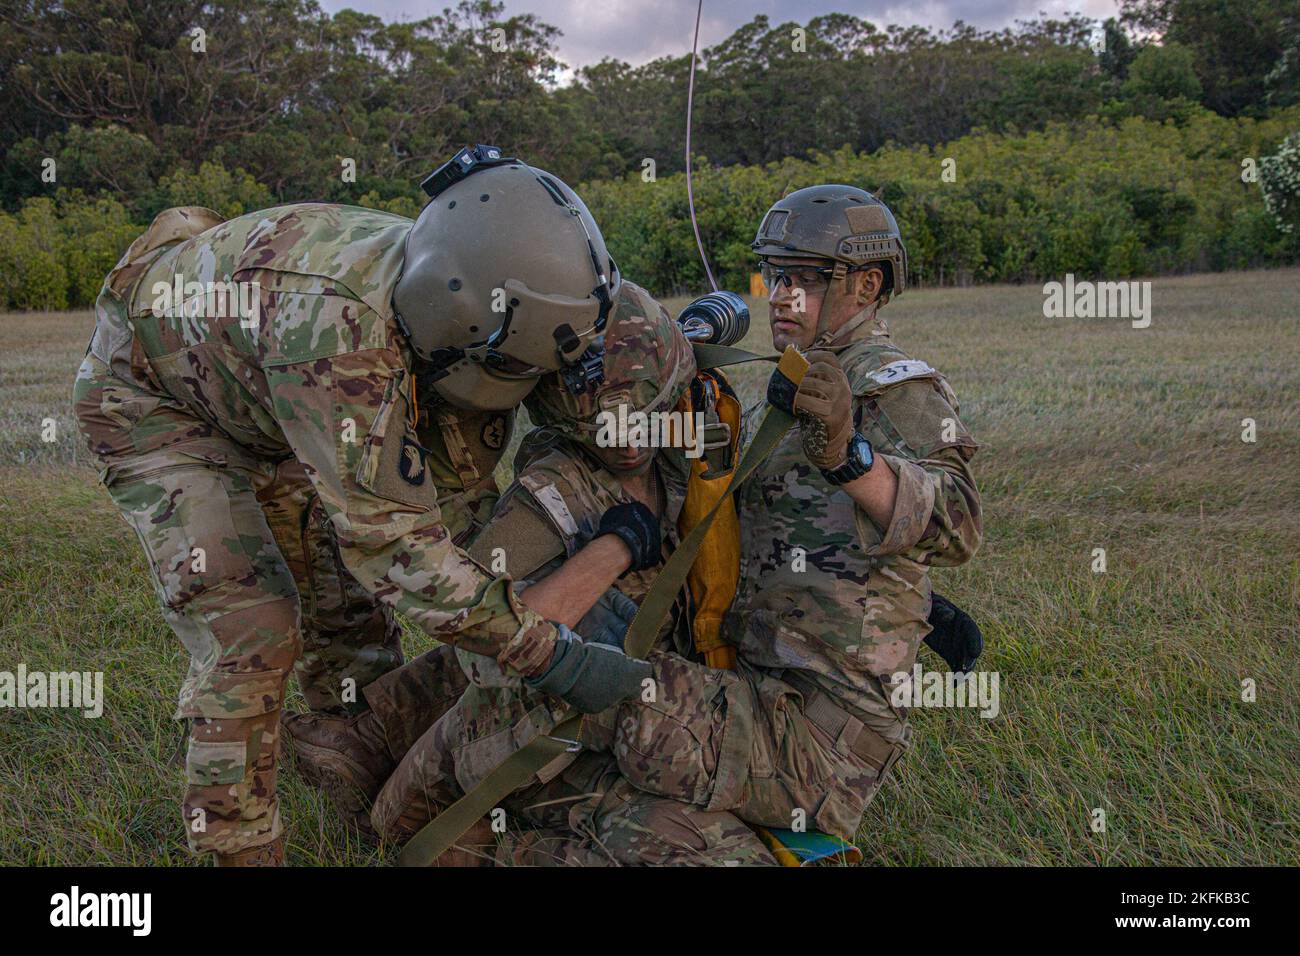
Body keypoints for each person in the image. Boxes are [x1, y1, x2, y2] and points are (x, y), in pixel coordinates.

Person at [71, 148, 651, 865]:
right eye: (512, 369)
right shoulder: (343, 339)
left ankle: (349, 748)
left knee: (342, 599)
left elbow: (460, 513)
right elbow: (398, 551)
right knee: (252, 623)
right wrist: (548, 650)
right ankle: (239, 845)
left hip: (265, 386)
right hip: (156, 403)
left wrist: (553, 586)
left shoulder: (449, 282)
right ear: (455, 319)